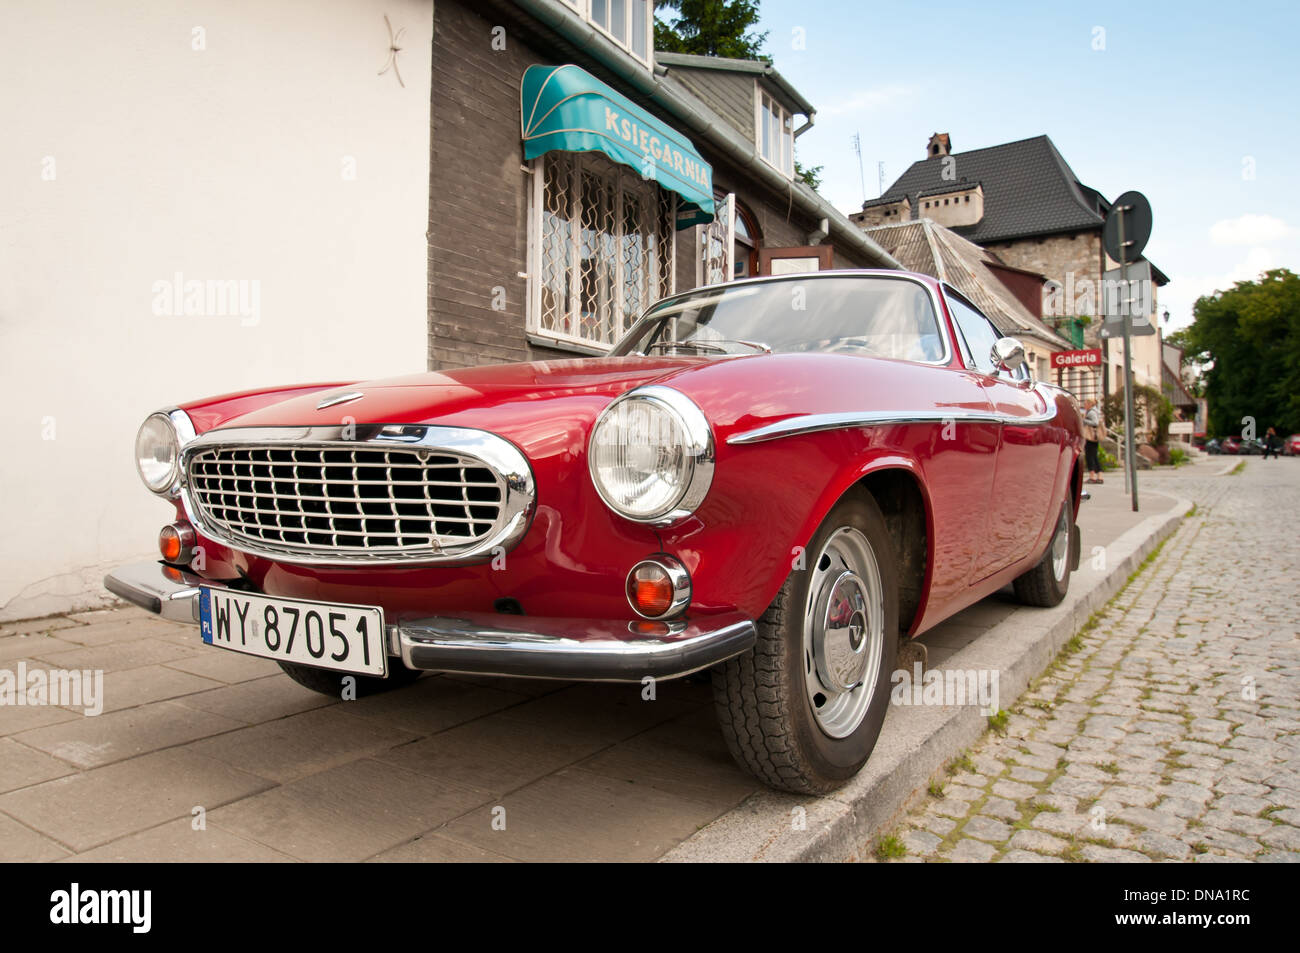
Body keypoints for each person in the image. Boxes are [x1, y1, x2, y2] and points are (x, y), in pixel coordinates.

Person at [1083, 398, 1104, 484]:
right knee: (1094, 456)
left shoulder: (1091, 412)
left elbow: (1095, 423)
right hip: (1094, 437)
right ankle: (1099, 476)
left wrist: (1083, 420)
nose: (1084, 405)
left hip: (1091, 437)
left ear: (1090, 404)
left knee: (1090, 456)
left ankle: (1093, 476)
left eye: (1085, 404)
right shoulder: (1095, 411)